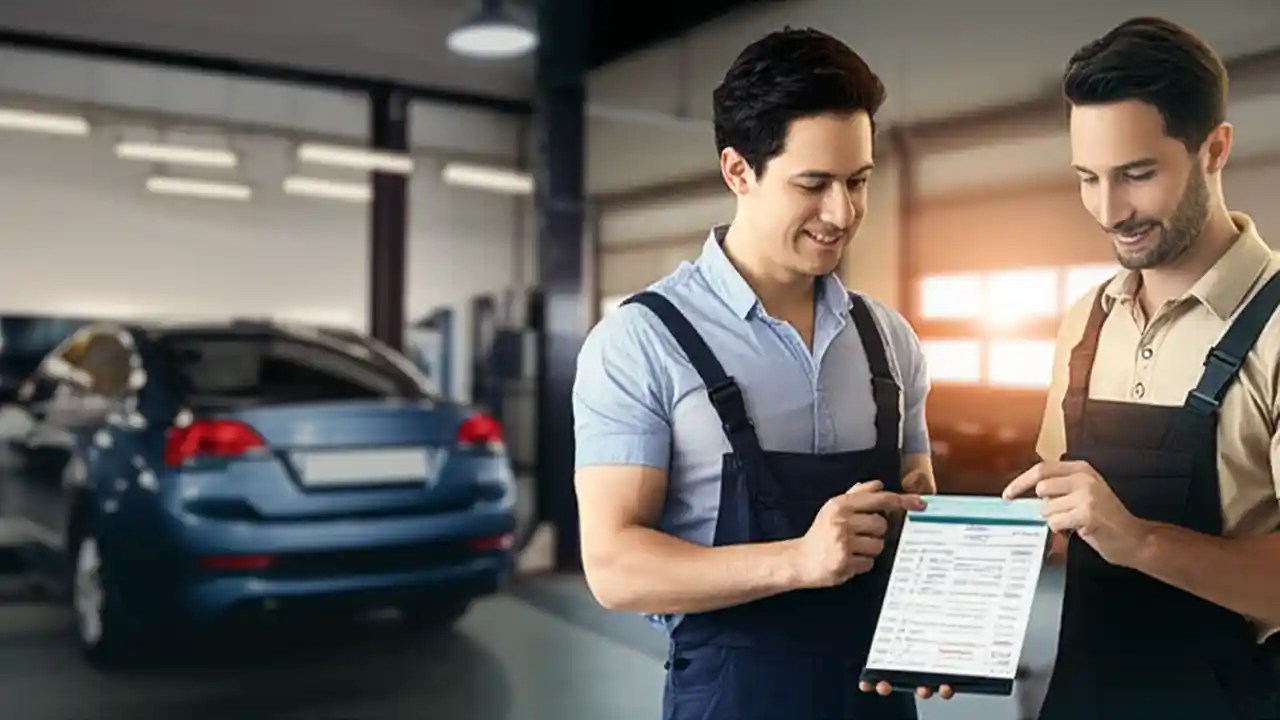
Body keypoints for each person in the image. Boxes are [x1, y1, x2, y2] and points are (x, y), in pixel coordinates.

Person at [572, 27, 943, 720]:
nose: (843, 213)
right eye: (814, 184)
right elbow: (615, 568)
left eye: (858, 182)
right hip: (732, 698)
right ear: (738, 171)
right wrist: (799, 561)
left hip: (878, 700)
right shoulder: (640, 342)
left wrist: (943, 620)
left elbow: (917, 505)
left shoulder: (891, 342)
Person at [997, 16, 1280, 720]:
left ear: (1214, 148)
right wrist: (966, 613)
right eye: (1087, 178)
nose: (1108, 209)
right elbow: (1060, 524)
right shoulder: (1083, 322)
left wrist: (1141, 540)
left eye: (1137, 175)